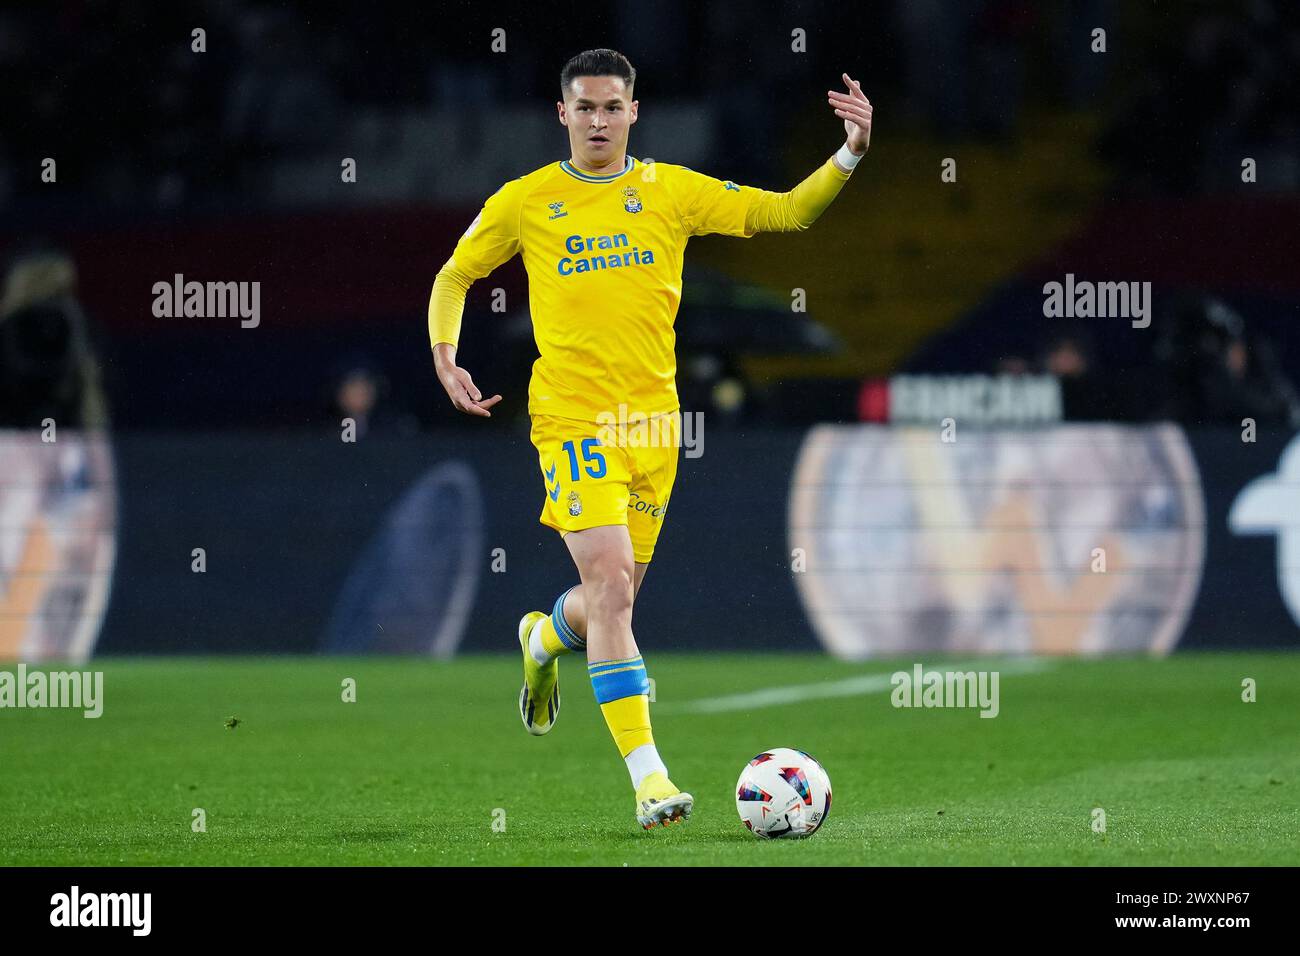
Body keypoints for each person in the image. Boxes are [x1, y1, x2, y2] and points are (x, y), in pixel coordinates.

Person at [426, 49, 871, 830]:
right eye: (585, 108)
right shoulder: (527, 200)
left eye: (612, 107)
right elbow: (455, 274)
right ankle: (650, 780)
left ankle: (541, 639)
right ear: (561, 115)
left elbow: (786, 213)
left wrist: (849, 154)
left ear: (635, 112)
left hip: (653, 426)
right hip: (570, 418)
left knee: (614, 598)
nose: (599, 121)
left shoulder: (669, 192)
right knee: (609, 579)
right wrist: (444, 355)